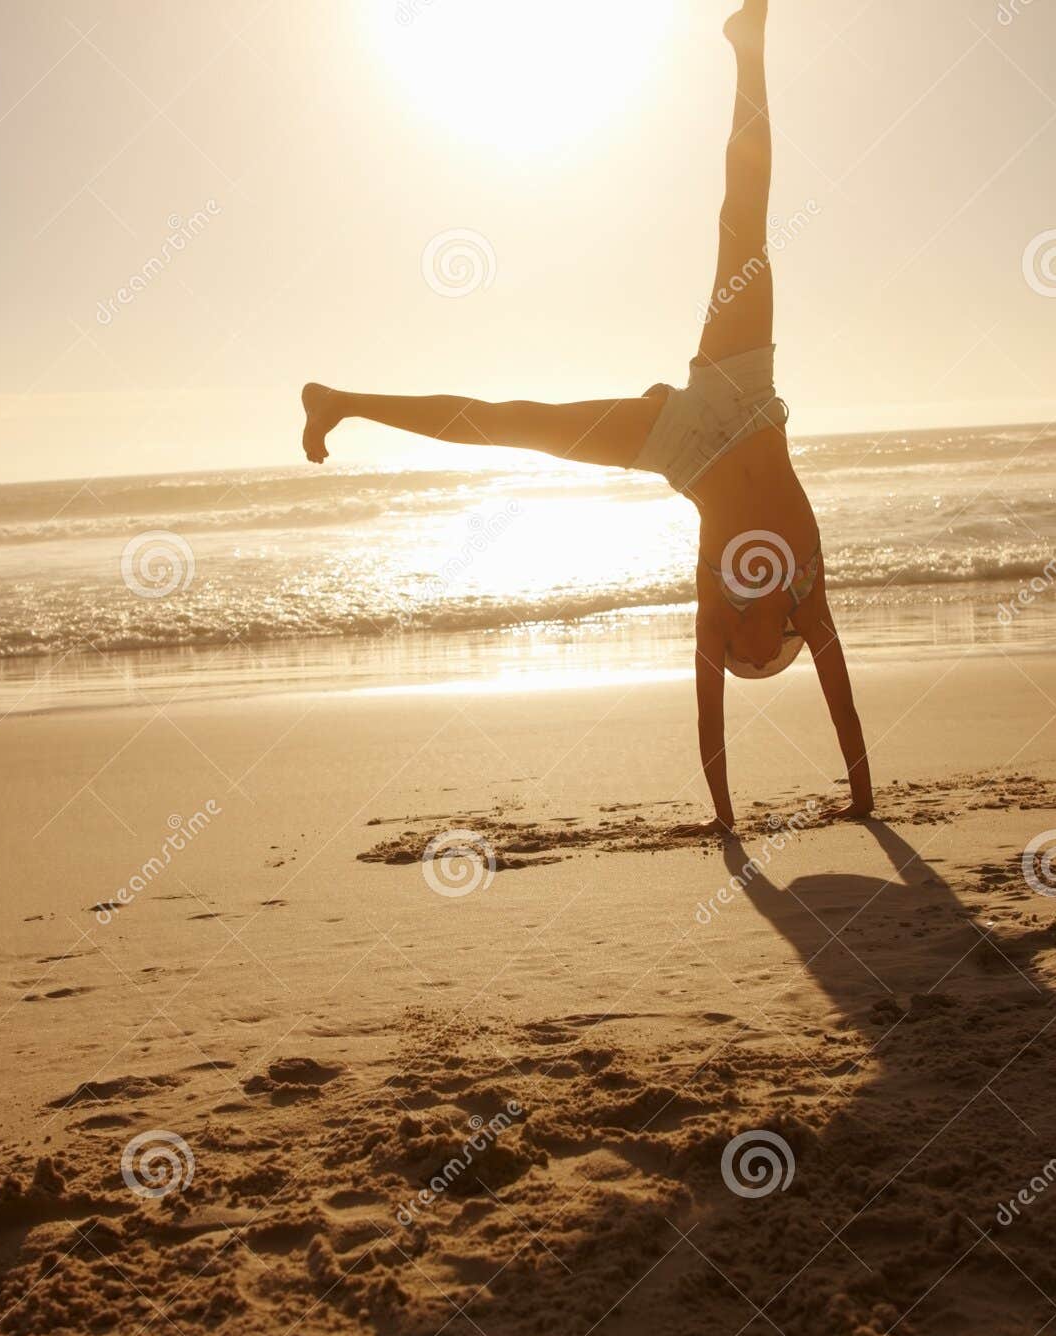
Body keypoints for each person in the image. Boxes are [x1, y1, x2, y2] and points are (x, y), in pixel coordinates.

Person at [300, 0, 872, 834]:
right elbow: (842, 697)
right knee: (744, 214)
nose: (742, 644)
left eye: (739, 652)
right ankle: (749, 44)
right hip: (744, 392)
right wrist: (864, 796)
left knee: (510, 423)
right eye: (756, 648)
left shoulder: (715, 609)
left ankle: (343, 401)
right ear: (776, 631)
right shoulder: (809, 601)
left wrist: (724, 818)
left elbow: (708, 723)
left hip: (681, 446)